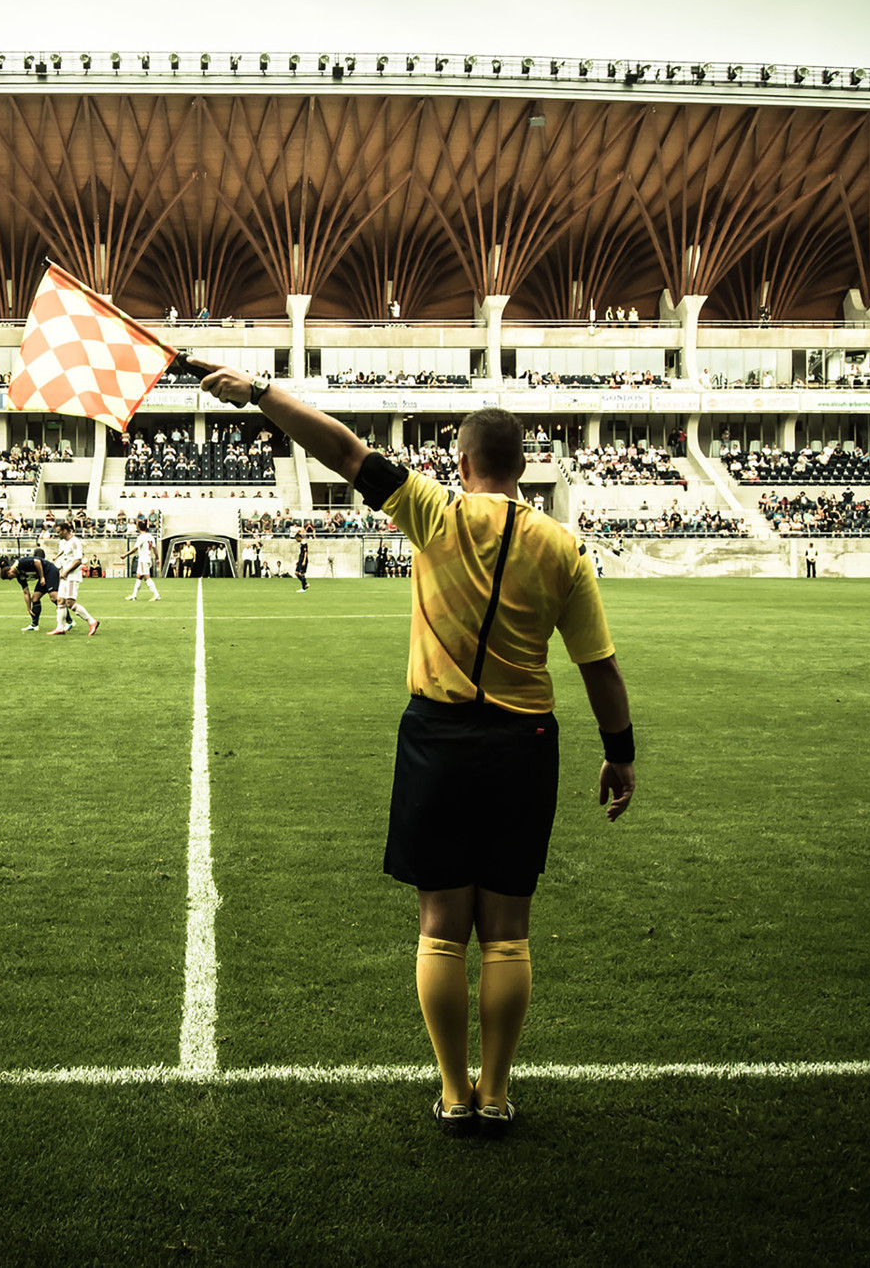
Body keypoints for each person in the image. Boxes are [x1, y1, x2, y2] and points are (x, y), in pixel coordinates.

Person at [200, 364, 636, 1138]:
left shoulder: (434, 512)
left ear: (463, 465)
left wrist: (260, 392)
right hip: (524, 742)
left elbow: (342, 450)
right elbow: (598, 666)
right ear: (523, 466)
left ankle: (452, 1091)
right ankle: (496, 1091)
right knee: (508, 927)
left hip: (437, 738)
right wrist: (620, 753)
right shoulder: (564, 548)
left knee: (441, 923)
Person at [50, 522, 100, 636]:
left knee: (70, 603)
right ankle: (60, 628)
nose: (57, 534)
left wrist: (66, 571)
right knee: (60, 600)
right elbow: (64, 555)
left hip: (72, 576)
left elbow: (78, 560)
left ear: (65, 531)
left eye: (59, 532)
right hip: (64, 575)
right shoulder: (64, 542)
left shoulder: (75, 542)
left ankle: (92, 621)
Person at [8, 546, 61, 631]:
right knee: (35, 599)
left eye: (10, 577)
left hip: (50, 572)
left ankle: (69, 621)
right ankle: (34, 625)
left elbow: (37, 561)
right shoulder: (19, 576)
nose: (11, 579)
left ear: (9, 571)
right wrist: (29, 608)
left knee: (54, 597)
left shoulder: (21, 563)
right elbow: (26, 592)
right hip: (43, 576)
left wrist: (42, 577)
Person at [127, 521, 162, 601]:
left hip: (143, 559)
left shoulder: (141, 537)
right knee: (139, 576)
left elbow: (135, 548)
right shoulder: (150, 536)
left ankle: (156, 595)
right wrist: (157, 558)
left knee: (147, 578)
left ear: (138, 528)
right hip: (147, 558)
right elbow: (154, 548)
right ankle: (134, 595)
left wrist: (126, 554)